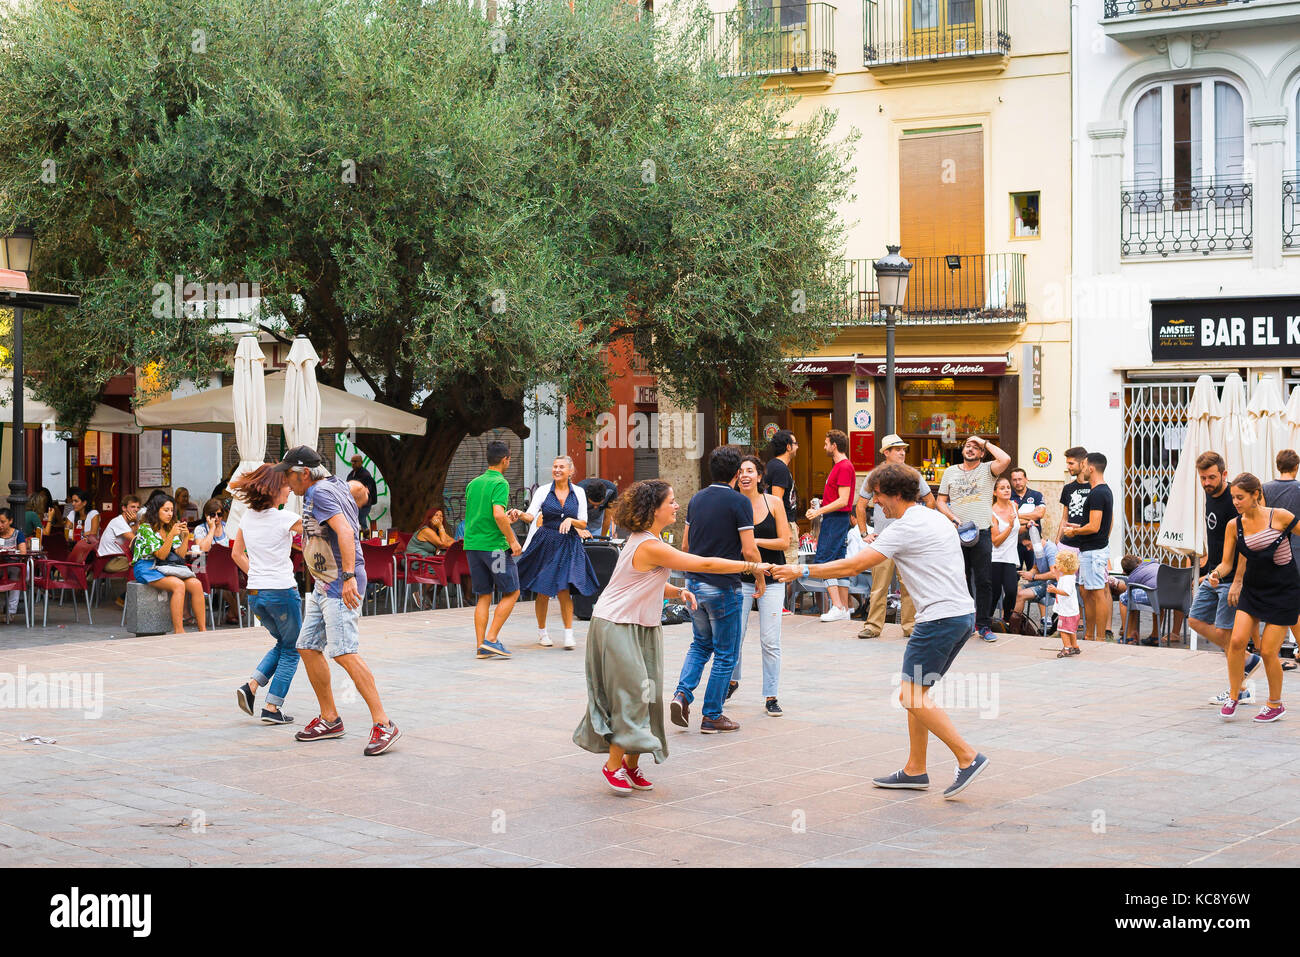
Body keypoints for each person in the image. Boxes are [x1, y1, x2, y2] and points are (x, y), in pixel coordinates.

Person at [775, 463, 989, 799]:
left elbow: (854, 565)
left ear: (892, 494)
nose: (875, 503)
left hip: (938, 620)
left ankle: (968, 756)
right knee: (918, 691)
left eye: (876, 496)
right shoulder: (936, 517)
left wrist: (800, 568)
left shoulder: (904, 527)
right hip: (960, 614)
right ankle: (915, 769)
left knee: (909, 695)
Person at [573, 479, 772, 794]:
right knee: (632, 697)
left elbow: (644, 581)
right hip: (616, 626)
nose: (678, 505)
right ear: (655, 509)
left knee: (649, 697)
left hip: (641, 626)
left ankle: (631, 765)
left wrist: (678, 591)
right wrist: (752, 564)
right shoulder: (649, 544)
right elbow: (703, 563)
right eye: (673, 501)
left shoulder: (647, 541)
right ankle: (612, 766)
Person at [278, 446, 400, 756]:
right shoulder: (334, 484)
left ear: (305, 472)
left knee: (345, 652)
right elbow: (359, 491)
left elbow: (346, 532)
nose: (288, 483)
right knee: (307, 646)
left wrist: (347, 578)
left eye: (290, 476)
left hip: (338, 583)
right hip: (325, 582)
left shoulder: (319, 492)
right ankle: (330, 718)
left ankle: (384, 723)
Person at [670, 446, 762, 735]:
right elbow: (749, 549)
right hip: (724, 586)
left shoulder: (697, 499)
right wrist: (759, 573)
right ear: (736, 474)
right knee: (725, 653)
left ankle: (682, 694)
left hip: (694, 583)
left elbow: (685, 546)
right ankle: (712, 714)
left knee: (700, 645)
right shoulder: (739, 502)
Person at [1207, 473, 1299, 723]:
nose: (1235, 502)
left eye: (1240, 497)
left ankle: (1275, 704)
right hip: (1254, 590)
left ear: (1256, 494)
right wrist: (1215, 574)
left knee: (1269, 651)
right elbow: (1227, 564)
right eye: (1233, 497)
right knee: (1236, 641)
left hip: (1283, 591)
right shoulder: (1233, 526)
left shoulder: (1279, 516)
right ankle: (1235, 695)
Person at [230, 465, 304, 725]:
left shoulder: (248, 517)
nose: (290, 489)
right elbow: (318, 531)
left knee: (283, 643)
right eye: (286, 486)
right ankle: (272, 707)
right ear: (275, 490)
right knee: (294, 648)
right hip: (282, 591)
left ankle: (251, 686)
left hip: (255, 593)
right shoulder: (285, 518)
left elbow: (236, 554)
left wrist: (258, 575)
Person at [1186, 452, 1260, 706]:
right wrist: (1210, 567)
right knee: (1195, 619)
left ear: (1224, 475)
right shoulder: (1209, 495)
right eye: (1203, 478)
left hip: (1233, 577)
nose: (1206, 483)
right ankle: (1247, 661)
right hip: (1216, 572)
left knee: (1226, 633)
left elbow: (1245, 545)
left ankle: (1238, 689)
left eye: (1212, 477)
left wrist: (1237, 580)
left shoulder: (1234, 500)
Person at [514, 455, 598, 651]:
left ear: (570, 471)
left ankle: (569, 634)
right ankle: (542, 632)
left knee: (564, 589)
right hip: (546, 541)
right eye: (554, 466)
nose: (557, 470)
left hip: (568, 543)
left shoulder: (578, 492)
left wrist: (571, 521)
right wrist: (519, 513)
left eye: (561, 467)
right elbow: (530, 516)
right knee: (542, 590)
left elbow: (583, 522)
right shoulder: (543, 491)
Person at [730, 455, 791, 716]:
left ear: (759, 476)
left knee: (770, 640)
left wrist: (752, 541)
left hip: (773, 576)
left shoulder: (774, 502)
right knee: (735, 636)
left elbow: (784, 542)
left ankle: (771, 695)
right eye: (741, 471)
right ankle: (731, 681)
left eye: (750, 470)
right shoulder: (732, 504)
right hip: (740, 577)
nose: (745, 475)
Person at [856, 434, 933, 640]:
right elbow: (861, 504)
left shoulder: (912, 474)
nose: (902, 452)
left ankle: (910, 626)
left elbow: (930, 500)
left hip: (909, 537)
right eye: (897, 449)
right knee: (879, 585)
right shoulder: (875, 475)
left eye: (904, 449)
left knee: (909, 584)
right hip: (883, 538)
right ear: (886, 452)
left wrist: (922, 525)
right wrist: (864, 533)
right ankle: (873, 626)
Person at [935, 434, 1012, 642]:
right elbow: (940, 501)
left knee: (984, 580)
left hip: (982, 532)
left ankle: (984, 625)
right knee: (960, 579)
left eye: (975, 447)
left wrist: (982, 440)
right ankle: (966, 623)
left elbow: (1005, 460)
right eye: (968, 446)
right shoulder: (950, 472)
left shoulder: (988, 470)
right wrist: (952, 517)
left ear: (981, 453)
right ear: (963, 450)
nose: (971, 449)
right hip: (957, 532)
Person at [463, 439, 523, 659]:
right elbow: (497, 514)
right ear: (505, 459)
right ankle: (492, 639)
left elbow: (483, 515)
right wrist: (514, 540)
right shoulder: (501, 482)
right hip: (495, 548)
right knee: (512, 591)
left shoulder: (473, 483)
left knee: (483, 595)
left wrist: (505, 520)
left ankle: (481, 646)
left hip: (473, 547)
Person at [130, 494, 206, 636]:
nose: (170, 514)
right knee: (178, 585)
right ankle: (179, 631)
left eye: (171, 510)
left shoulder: (169, 527)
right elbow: (161, 555)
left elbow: (180, 555)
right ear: (156, 510)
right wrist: (171, 535)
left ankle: (203, 631)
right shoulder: (145, 528)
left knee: (196, 584)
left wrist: (184, 537)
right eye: (166, 510)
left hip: (166, 566)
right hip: (146, 567)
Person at [1060, 452, 1113, 642]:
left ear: (1091, 468)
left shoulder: (1098, 493)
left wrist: (1074, 533)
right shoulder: (1100, 491)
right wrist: (1076, 527)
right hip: (1089, 550)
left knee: (1097, 593)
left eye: (1083, 466)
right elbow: (1099, 523)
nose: (1082, 469)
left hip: (1094, 551)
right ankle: (1090, 635)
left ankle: (1099, 638)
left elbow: (1095, 526)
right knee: (1087, 592)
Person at [805, 430, 856, 622]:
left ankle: (837, 606)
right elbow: (839, 499)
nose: (824, 447)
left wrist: (819, 511)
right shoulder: (842, 466)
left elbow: (843, 501)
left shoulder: (843, 466)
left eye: (826, 443)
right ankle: (843, 609)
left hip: (835, 519)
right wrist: (821, 504)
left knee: (825, 562)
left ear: (834, 445)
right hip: (837, 519)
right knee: (839, 562)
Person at [1263, 448, 1300, 671]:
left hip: (1270, 554)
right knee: (1293, 603)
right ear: (1296, 467)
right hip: (1297, 552)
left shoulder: (1265, 489)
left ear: (1277, 465)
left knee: (1275, 601)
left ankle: (1271, 650)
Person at [763, 430, 800, 565]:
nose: (797, 447)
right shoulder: (780, 468)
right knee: (789, 567)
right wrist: (785, 527)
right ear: (788, 447)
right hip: (783, 524)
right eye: (795, 443)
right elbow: (776, 501)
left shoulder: (775, 465)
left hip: (786, 522)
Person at [988, 475, 1020, 626]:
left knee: (1012, 591)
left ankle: (1006, 621)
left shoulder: (1014, 506)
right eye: (1002, 488)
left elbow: (1016, 530)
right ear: (995, 493)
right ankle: (985, 622)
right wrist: (1010, 526)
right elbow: (996, 541)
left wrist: (1028, 526)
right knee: (994, 594)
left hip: (1011, 557)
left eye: (1008, 487)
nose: (1007, 490)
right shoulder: (992, 512)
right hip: (996, 558)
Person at [1116, 555, 1161, 645]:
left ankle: (1128, 637)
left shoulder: (1133, 577)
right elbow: (1151, 559)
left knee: (1124, 598)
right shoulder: (1151, 562)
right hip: (1168, 596)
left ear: (1124, 572)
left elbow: (1130, 595)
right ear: (1139, 561)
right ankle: (1155, 636)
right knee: (1157, 598)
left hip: (1155, 595)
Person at [1009, 467, 1046, 570]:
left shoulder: (1036, 495)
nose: (1017, 482)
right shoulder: (1007, 497)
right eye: (1014, 480)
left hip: (1034, 542)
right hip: (1014, 543)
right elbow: (1008, 519)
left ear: (1026, 479)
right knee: (1014, 575)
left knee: (1036, 572)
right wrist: (1031, 516)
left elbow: (1039, 515)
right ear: (1011, 481)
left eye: (1020, 479)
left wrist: (1017, 516)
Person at [1048, 550, 1080, 657]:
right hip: (1071, 610)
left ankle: (1067, 648)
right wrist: (1057, 572)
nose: (1056, 565)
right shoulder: (1069, 577)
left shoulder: (1067, 579)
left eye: (1058, 563)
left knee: (1063, 630)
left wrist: (1055, 590)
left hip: (1067, 611)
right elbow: (1061, 581)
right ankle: (1075, 646)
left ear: (1063, 566)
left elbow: (1066, 592)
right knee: (1071, 630)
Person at [96, 495, 140, 574]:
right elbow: (136, 541)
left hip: (117, 558)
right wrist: (137, 521)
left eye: (138, 507)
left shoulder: (129, 523)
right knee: (144, 563)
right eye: (133, 507)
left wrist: (136, 522)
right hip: (109, 562)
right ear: (124, 508)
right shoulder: (118, 522)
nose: (136, 510)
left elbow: (135, 538)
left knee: (143, 561)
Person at [0, 508, 26, 623]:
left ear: (10, 521)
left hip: (13, 565)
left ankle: (11, 612)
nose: (0, 525)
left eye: (2, 522)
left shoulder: (17, 534)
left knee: (15, 575)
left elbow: (23, 552)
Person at [347, 453, 379, 531]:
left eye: (355, 461)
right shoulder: (351, 474)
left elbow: (368, 490)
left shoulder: (365, 475)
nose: (353, 463)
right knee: (357, 521)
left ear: (361, 462)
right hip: (355, 503)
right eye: (352, 461)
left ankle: (365, 536)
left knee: (361, 520)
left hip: (364, 504)